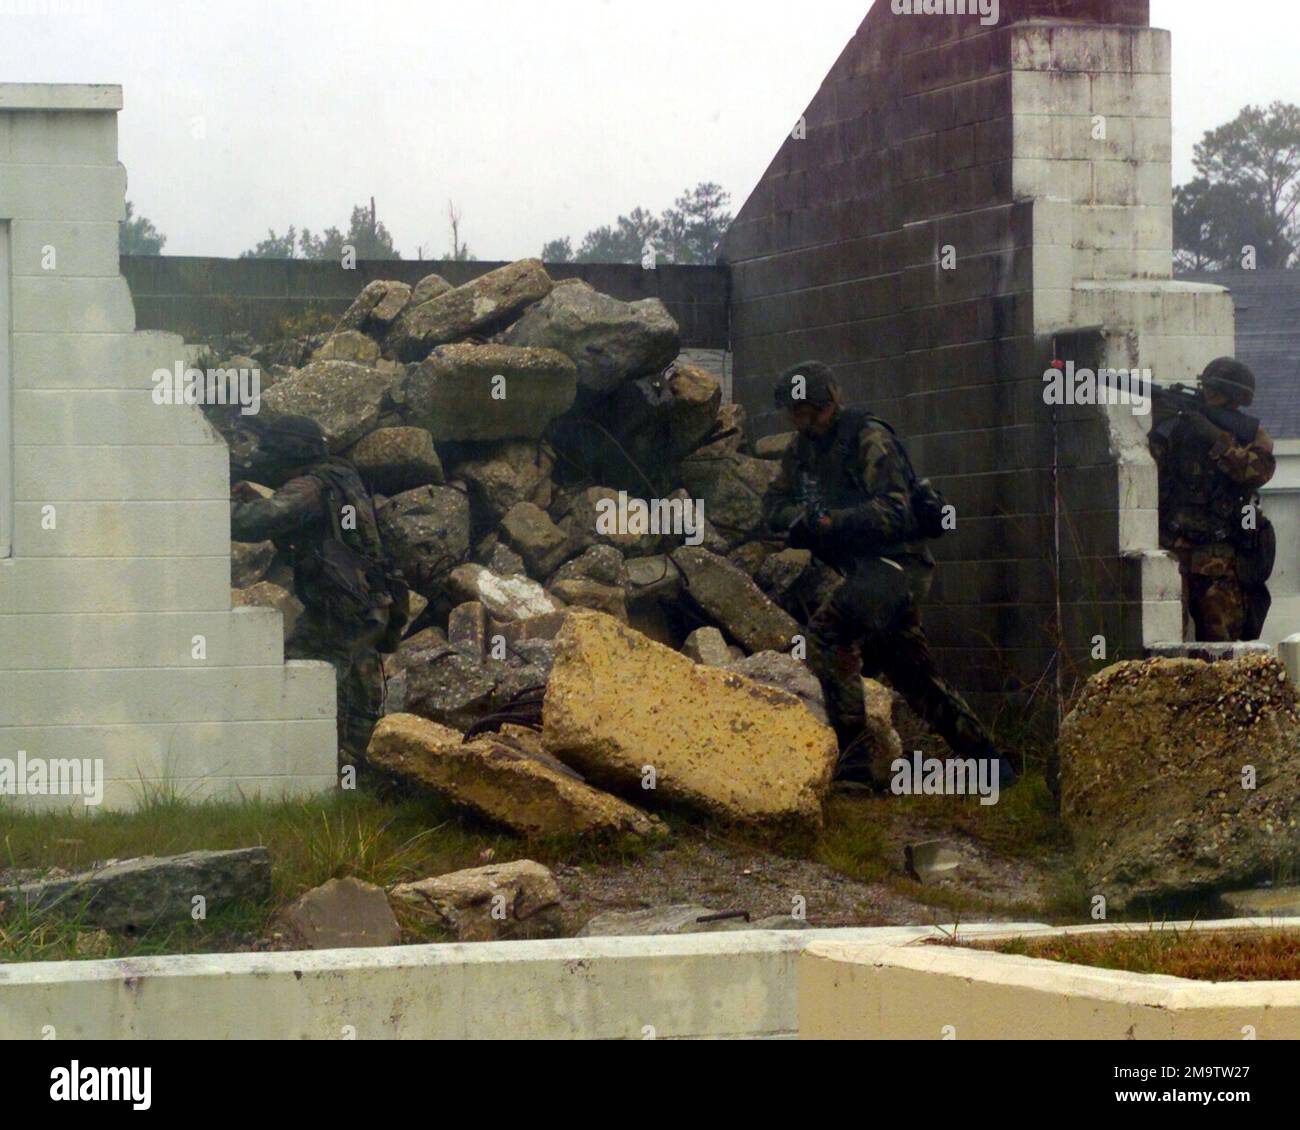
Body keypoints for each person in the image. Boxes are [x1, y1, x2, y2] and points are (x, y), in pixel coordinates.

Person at [762, 361, 1017, 791]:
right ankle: (996, 768)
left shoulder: (868, 437)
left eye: (806, 411)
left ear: (825, 405)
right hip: (866, 570)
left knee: (828, 631)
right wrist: (802, 519)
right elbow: (771, 507)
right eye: (795, 412)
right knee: (913, 676)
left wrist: (833, 523)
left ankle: (855, 763)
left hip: (900, 566)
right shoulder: (801, 451)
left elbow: (896, 510)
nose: (800, 421)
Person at [230, 415, 408, 764]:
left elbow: (255, 522)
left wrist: (216, 504)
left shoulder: (309, 488)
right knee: (356, 699)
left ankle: (316, 772)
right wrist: (254, 496)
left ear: (288, 455)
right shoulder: (339, 477)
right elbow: (306, 527)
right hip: (369, 605)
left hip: (339, 612)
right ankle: (367, 773)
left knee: (302, 685)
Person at [1149, 358, 1276, 642]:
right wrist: (1162, 422)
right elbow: (1153, 465)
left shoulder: (1248, 434)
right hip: (1174, 551)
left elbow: (1256, 472)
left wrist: (1213, 437)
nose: (1208, 393)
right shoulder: (1182, 424)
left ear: (1231, 397)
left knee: (1223, 649)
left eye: (1214, 389)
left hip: (1219, 558)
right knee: (1166, 644)